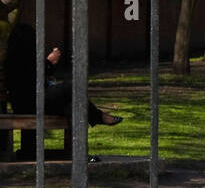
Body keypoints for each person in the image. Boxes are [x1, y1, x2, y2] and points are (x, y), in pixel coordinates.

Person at [3, 23, 122, 157]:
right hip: (29, 103)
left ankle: (76, 153)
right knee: (69, 87)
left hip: (36, 101)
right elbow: (28, 83)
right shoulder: (14, 61)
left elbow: (38, 77)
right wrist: (48, 62)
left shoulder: (25, 59)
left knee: (72, 106)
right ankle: (98, 116)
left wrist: (49, 65)